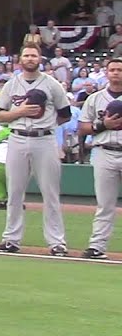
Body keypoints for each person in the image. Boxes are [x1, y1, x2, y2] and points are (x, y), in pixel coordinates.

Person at [0, 45, 72, 255]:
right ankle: (11, 239)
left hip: (44, 139)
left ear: (40, 59)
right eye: (26, 55)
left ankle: (56, 242)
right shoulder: (11, 84)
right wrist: (19, 112)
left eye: (33, 55)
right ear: (20, 59)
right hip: (17, 138)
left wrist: (47, 123)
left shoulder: (52, 83)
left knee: (50, 193)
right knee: (15, 192)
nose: (30, 58)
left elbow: (65, 114)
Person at [77, 58, 122, 259]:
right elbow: (82, 127)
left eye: (120, 70)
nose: (116, 73)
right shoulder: (95, 98)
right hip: (104, 150)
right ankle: (97, 246)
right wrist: (102, 125)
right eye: (112, 70)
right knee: (105, 204)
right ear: (106, 72)